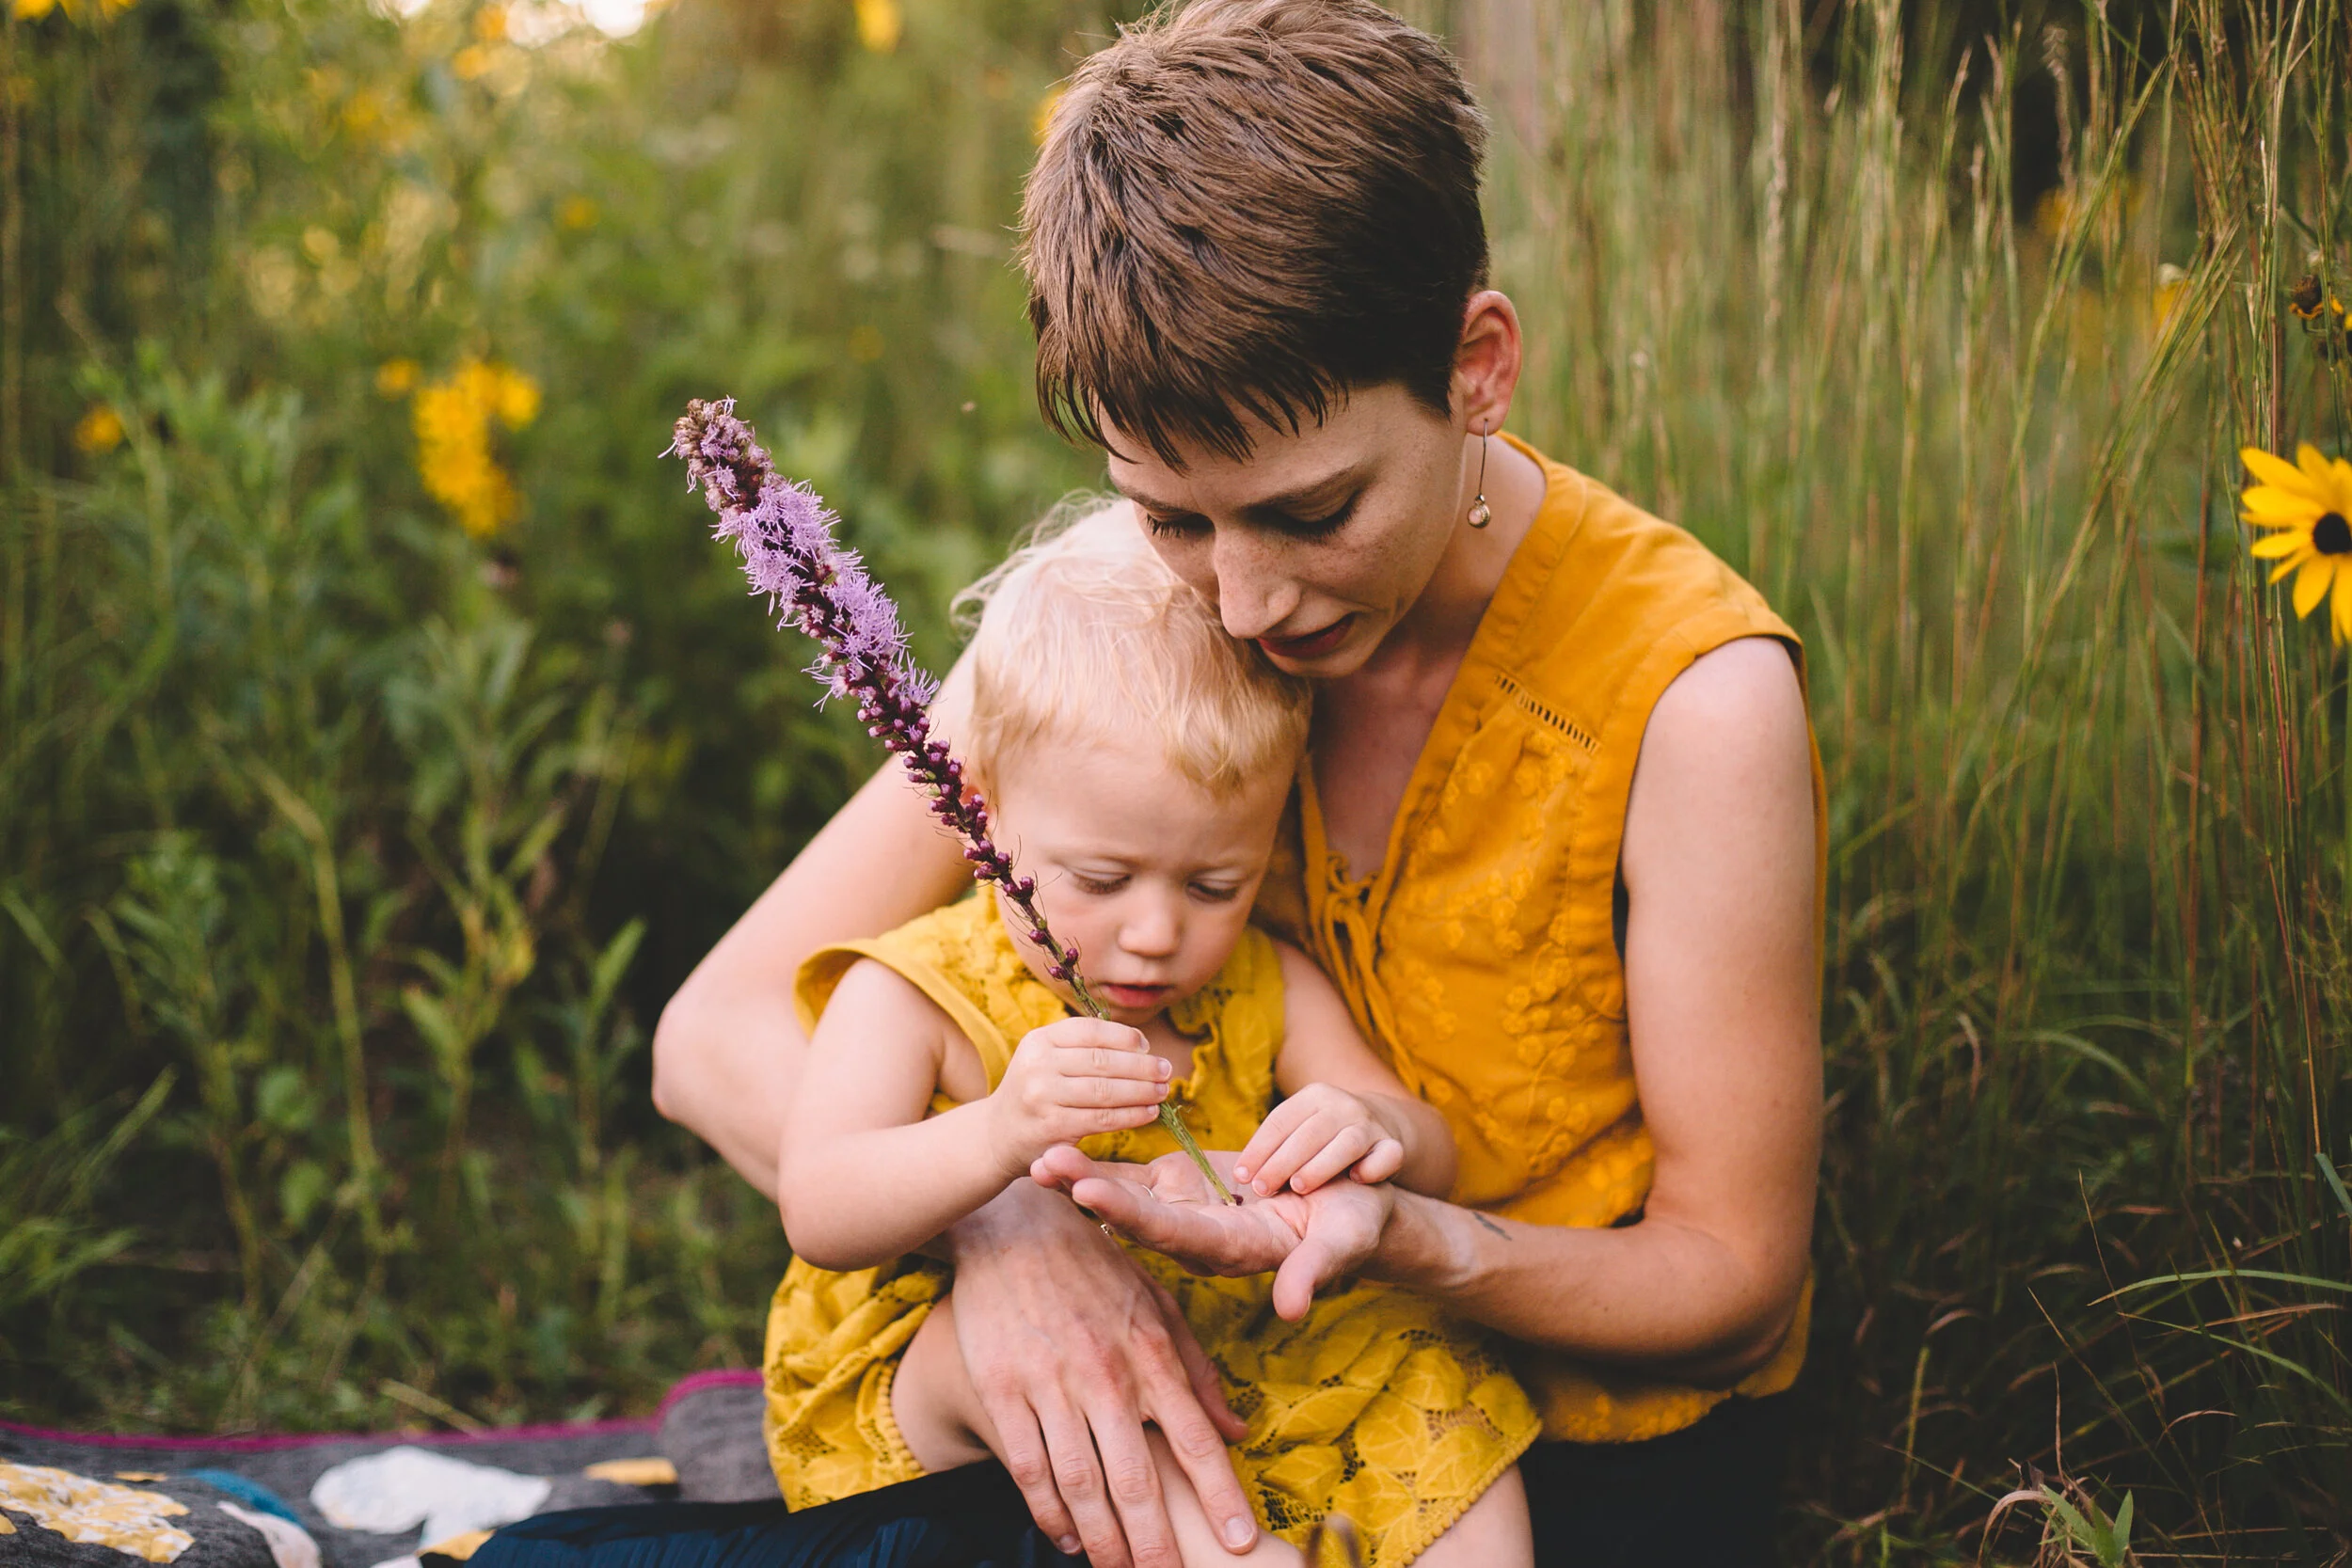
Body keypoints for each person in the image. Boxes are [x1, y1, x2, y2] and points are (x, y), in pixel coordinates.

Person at [654, 4, 1824, 1565]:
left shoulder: (1693, 696)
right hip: (1208, 1411)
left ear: (1478, 366)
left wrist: (1421, 1244)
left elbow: (1733, 1271)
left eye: (1312, 511)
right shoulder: (1127, 621)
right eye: (1175, 518)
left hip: (1561, 1463)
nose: (1248, 603)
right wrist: (1011, 1227)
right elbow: (715, 1037)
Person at [764, 519, 1537, 1566]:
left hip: (1227, 1337)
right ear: (983, 814)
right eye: (1099, 878)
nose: (1156, 932)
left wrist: (1360, 1128)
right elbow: (821, 1203)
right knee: (1127, 1401)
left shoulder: (1262, 981)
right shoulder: (914, 992)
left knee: (1428, 1366)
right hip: (963, 1364)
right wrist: (996, 1132)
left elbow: (1430, 1150)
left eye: (1213, 883)